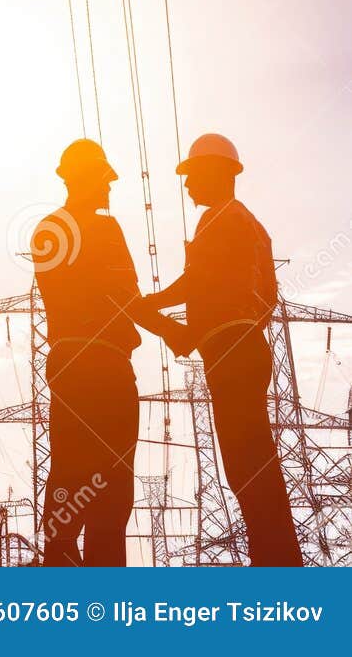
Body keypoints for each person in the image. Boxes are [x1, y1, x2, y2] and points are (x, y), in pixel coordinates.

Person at [151, 133, 303, 567]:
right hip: (247, 347)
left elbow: (195, 282)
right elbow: (268, 297)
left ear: (217, 174)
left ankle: (275, 564)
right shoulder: (253, 226)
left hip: (231, 351)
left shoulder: (217, 219)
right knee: (256, 459)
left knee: (245, 464)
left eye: (192, 175)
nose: (186, 186)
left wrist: (148, 303)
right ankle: (276, 556)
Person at [31, 138, 183, 567]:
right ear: (90, 180)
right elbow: (124, 298)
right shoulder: (104, 228)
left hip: (66, 365)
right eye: (105, 181)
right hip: (105, 365)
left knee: (68, 466)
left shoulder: (48, 229)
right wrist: (174, 332)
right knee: (112, 480)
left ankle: (58, 564)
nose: (109, 189)